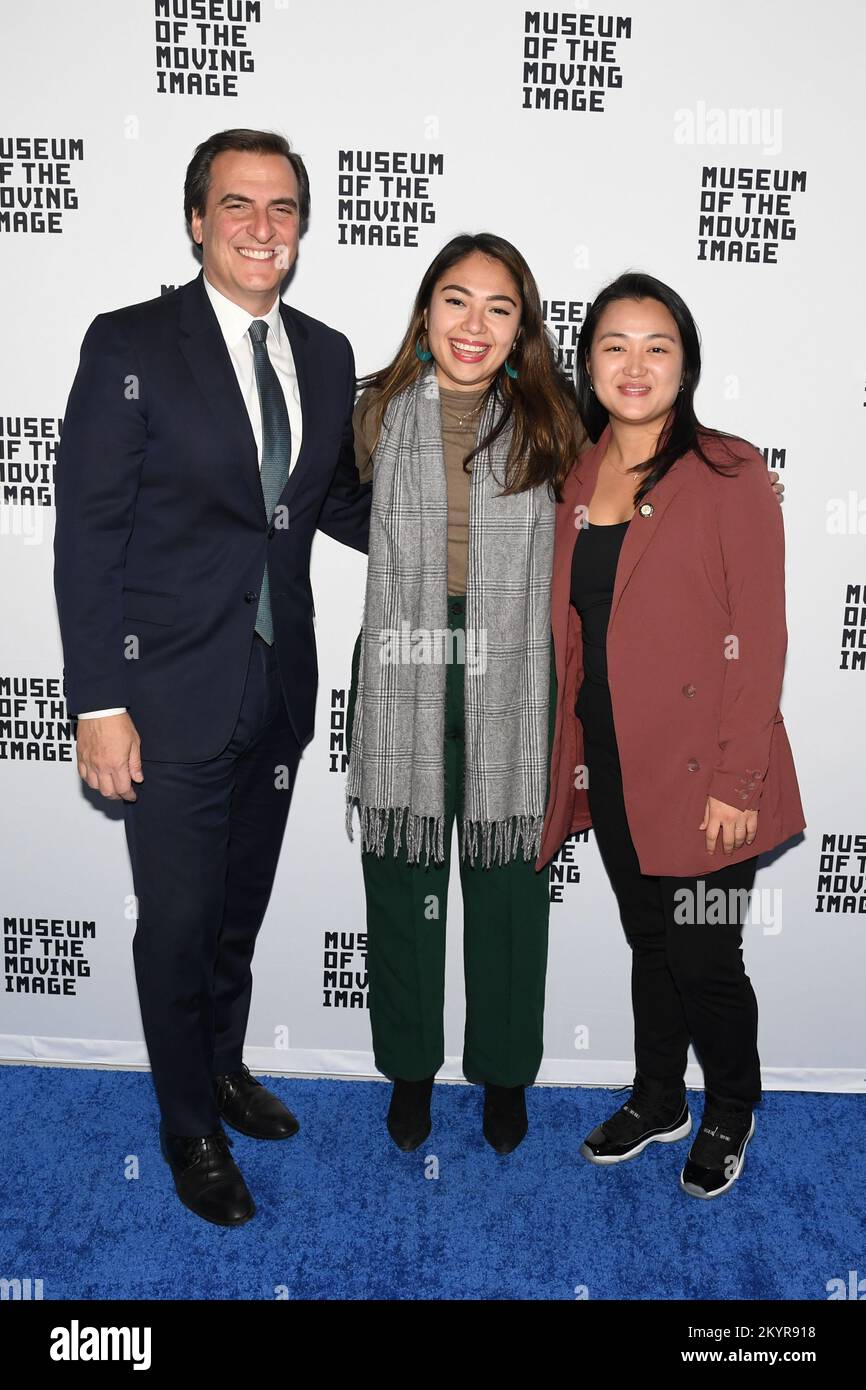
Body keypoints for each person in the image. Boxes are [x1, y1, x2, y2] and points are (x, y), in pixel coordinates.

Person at [53, 128, 371, 1226]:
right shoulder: (131, 342)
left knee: (236, 912)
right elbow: (88, 536)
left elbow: (327, 503)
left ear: (301, 227)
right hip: (165, 696)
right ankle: (186, 1123)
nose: (259, 226)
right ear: (196, 220)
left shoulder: (325, 355)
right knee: (178, 922)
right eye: (235, 204)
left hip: (278, 692)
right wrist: (98, 704)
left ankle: (225, 1067)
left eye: (281, 207)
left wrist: (465, 519)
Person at [538, 271, 804, 1198]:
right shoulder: (580, 469)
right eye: (615, 345)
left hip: (706, 771)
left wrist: (739, 778)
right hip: (612, 757)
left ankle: (732, 1103)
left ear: (686, 364)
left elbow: (759, 636)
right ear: (589, 361)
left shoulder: (728, 470)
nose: (636, 364)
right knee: (649, 937)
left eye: (659, 346)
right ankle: (660, 1097)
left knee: (703, 951)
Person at [345, 233, 581, 1155]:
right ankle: (409, 1070)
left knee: (509, 887)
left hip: (516, 672)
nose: (473, 323)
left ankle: (504, 1074)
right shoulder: (372, 413)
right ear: (425, 312)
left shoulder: (558, 424)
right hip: (406, 665)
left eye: (499, 306)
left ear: (522, 327)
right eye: (455, 299)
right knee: (402, 879)